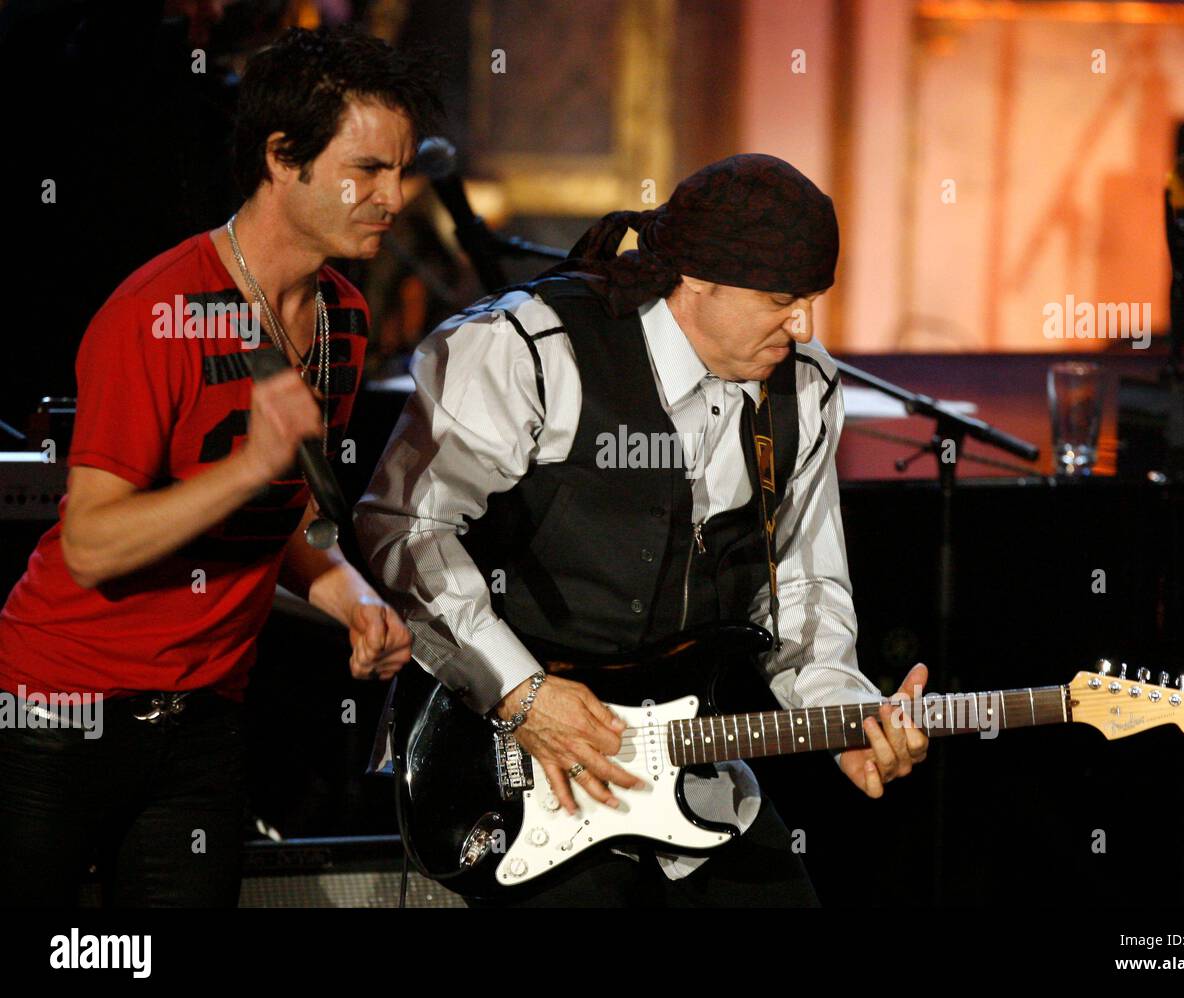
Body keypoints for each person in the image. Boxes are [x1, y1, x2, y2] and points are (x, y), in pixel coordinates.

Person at [355, 154, 929, 907]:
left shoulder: (806, 387)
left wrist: (844, 712)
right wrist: (521, 694)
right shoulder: (528, 349)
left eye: (815, 298)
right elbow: (405, 527)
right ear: (696, 280)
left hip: (687, 771)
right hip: (505, 769)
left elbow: (804, 584)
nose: (805, 324)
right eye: (783, 299)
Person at [0, 25, 437, 907]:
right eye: (368, 170)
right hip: (58, 715)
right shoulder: (155, 311)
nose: (394, 196)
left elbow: (277, 527)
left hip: (205, 723)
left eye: (401, 168)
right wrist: (248, 465)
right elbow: (87, 545)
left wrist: (348, 593)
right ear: (283, 158)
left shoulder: (343, 322)